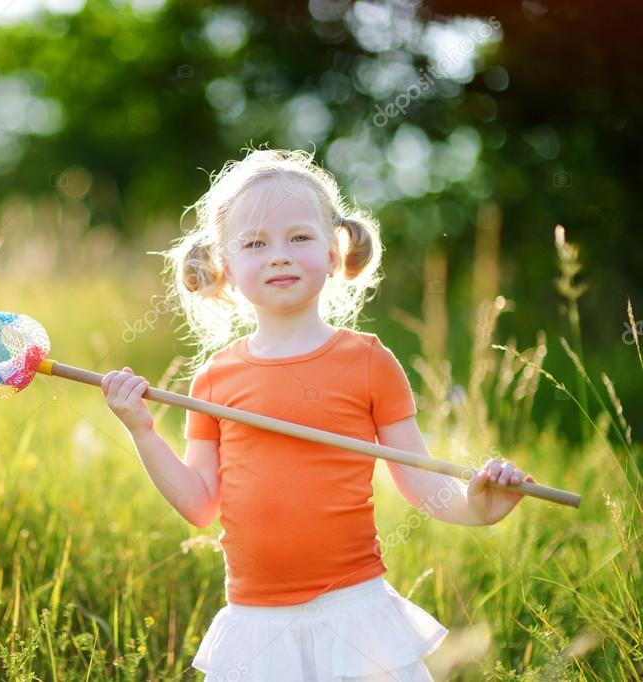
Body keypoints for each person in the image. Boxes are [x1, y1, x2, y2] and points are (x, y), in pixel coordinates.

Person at [101, 148, 535, 681]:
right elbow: (199, 505)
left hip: (353, 612)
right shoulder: (215, 380)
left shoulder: (370, 362)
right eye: (256, 244)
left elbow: (422, 483)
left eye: (299, 238)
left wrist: (478, 508)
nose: (279, 255)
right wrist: (141, 430)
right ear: (226, 267)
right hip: (257, 624)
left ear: (333, 253)